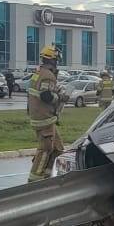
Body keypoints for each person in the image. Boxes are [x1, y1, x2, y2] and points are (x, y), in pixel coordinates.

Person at [27, 45, 69, 182]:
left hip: (41, 117)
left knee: (58, 149)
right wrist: (60, 97)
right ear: (53, 59)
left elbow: (38, 91)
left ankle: (46, 177)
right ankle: (34, 181)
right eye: (57, 59)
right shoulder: (48, 75)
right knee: (45, 149)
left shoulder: (38, 73)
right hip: (44, 118)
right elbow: (45, 96)